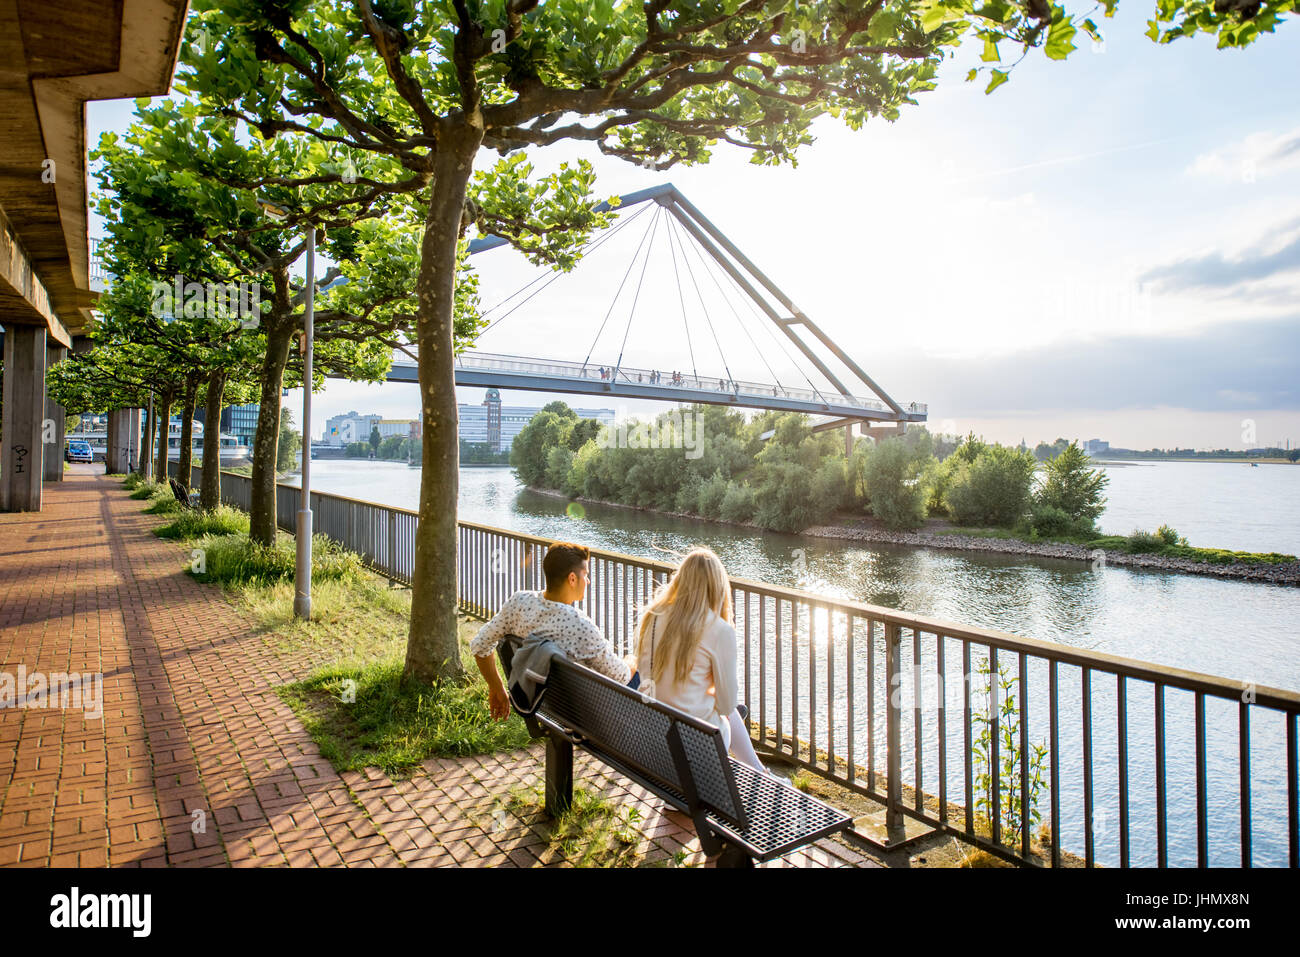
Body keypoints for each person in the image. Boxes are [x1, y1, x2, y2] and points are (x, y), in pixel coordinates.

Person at [633, 548, 768, 773]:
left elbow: (645, 673)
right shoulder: (719, 629)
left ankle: (762, 772)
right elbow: (726, 704)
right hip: (699, 745)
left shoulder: (654, 616)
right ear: (718, 586)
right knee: (730, 710)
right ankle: (761, 773)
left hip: (652, 734)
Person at [471, 542, 636, 720]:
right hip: (587, 719)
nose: (588, 581)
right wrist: (633, 660)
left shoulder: (518, 603)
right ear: (572, 579)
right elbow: (621, 677)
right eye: (586, 575)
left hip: (545, 708)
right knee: (641, 671)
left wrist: (496, 687)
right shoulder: (580, 626)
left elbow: (480, 646)